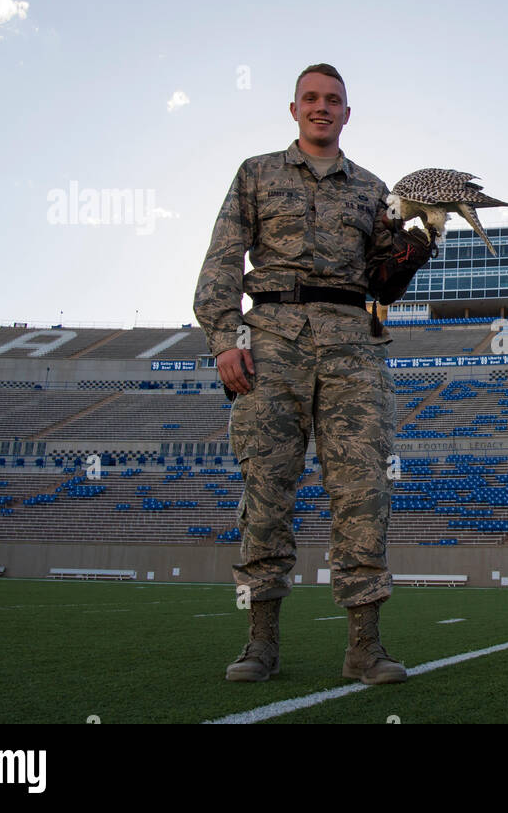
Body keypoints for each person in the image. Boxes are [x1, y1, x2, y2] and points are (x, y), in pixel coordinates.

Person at [194, 63, 425, 685]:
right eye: (312, 99)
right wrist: (225, 339)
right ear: (293, 109)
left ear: (348, 113)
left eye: (335, 100)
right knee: (266, 491)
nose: (323, 107)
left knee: (363, 493)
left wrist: (417, 246)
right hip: (270, 338)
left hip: (354, 345)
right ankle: (260, 644)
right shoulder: (256, 172)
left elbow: (383, 282)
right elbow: (221, 261)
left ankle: (364, 648)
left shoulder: (377, 190)